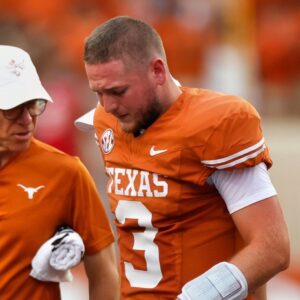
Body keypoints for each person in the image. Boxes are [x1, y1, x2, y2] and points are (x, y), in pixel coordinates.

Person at [81, 16, 290, 300]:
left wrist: (200, 294)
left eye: (118, 91)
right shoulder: (108, 121)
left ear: (157, 71)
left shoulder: (214, 125)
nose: (108, 106)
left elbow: (272, 248)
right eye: (99, 93)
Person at [0, 45, 119, 300]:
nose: (27, 119)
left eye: (34, 105)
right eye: (12, 108)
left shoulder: (66, 173)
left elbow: (105, 273)